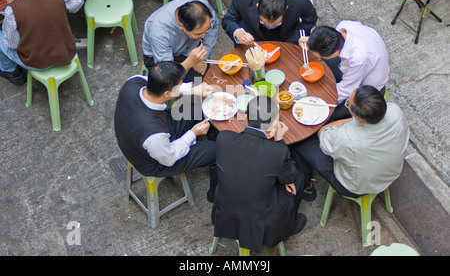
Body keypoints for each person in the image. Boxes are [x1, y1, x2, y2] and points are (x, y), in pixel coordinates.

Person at [212, 96, 307, 253]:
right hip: (262, 217)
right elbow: (289, 175)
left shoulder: (223, 138)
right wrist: (280, 140)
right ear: (274, 124)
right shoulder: (277, 151)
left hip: (225, 208)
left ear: (247, 117)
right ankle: (289, 224)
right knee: (299, 178)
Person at [114, 61, 218, 200]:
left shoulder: (134, 82)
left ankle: (207, 136)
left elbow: (166, 88)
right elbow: (169, 158)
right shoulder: (154, 134)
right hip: (157, 161)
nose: (182, 86)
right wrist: (193, 133)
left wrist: (193, 90)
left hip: (147, 131)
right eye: (180, 85)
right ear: (167, 93)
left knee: (199, 107)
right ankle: (215, 196)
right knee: (220, 150)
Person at [290, 85, 410, 200]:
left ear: (358, 117)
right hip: (391, 173)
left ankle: (306, 188)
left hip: (354, 187)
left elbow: (322, 132)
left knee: (299, 142)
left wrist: (332, 123)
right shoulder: (395, 110)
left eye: (348, 103)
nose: (347, 102)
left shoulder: (347, 139)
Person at [0, 0, 84, 86]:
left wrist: (12, 7)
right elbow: (78, 2)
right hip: (66, 51)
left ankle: (11, 72)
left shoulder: (12, 9)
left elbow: (12, 43)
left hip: (37, 63)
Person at [300, 21, 390, 121]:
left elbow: (347, 89)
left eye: (321, 56)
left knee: (326, 117)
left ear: (334, 54)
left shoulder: (358, 58)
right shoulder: (344, 26)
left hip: (367, 89)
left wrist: (320, 101)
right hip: (353, 67)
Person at [142, 0, 219, 83]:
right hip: (162, 60)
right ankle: (191, 96)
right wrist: (190, 62)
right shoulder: (159, 32)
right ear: (182, 26)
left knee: (208, 76)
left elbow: (214, 26)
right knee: (190, 86)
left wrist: (204, 57)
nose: (204, 36)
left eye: (206, 30)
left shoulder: (201, 5)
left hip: (190, 47)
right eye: (199, 33)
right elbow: (166, 73)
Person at [222, 0, 317, 47]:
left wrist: (295, 39)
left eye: (275, 23)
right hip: (253, 37)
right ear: (257, 6)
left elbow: (310, 20)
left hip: (287, 37)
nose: (270, 26)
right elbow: (228, 19)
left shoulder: (299, 0)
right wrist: (237, 32)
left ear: (286, 8)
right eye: (265, 22)